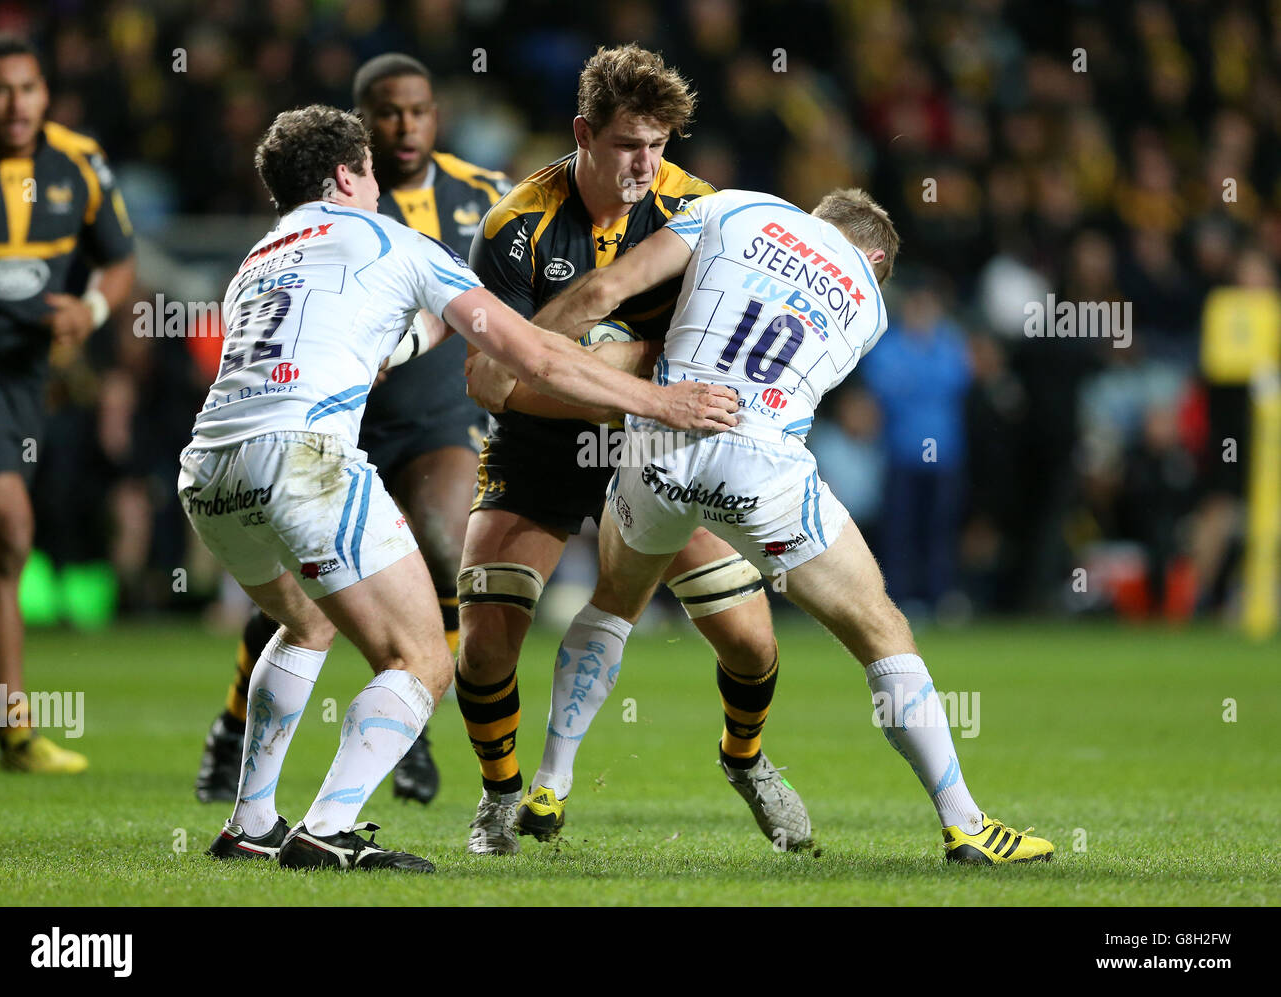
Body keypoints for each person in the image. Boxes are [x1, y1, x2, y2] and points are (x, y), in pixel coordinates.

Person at [184, 104, 735, 872]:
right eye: (371, 170)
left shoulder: (258, 257)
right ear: (347, 174)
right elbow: (534, 357)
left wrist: (399, 342)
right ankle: (328, 828)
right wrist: (663, 402)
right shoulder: (394, 240)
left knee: (305, 622)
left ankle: (250, 822)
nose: (379, 184)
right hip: (301, 458)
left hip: (208, 468)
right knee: (422, 658)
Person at [486, 185, 1055, 864]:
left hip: (661, 438)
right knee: (880, 626)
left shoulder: (735, 206)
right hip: (759, 463)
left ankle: (551, 782)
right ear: (873, 256)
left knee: (614, 599)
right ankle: (966, 825)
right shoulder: (870, 305)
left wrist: (518, 348)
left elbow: (607, 286)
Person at [457, 44, 810, 855]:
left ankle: (747, 759)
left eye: (659, 145)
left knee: (754, 640)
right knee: (484, 639)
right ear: (583, 132)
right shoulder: (517, 228)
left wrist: (619, 380)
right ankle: (502, 796)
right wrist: (621, 380)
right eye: (626, 144)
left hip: (659, 448)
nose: (646, 164)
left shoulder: (700, 210)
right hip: (540, 445)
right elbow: (490, 383)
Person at [193, 53, 510, 806]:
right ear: (356, 140)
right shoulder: (340, 214)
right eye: (387, 113)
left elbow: (500, 298)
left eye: (420, 109)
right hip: (336, 420)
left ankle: (412, 728)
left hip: (435, 415)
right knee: (303, 599)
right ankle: (236, 726)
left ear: (438, 114)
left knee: (440, 543)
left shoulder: (488, 197)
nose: (405, 125)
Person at [0, 34, 134, 773]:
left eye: (26, 88)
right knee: (9, 521)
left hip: (19, 379)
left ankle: (13, 734)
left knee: (3, 548)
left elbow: (120, 260)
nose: (14, 104)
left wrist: (92, 314)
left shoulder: (77, 163)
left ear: (45, 93)